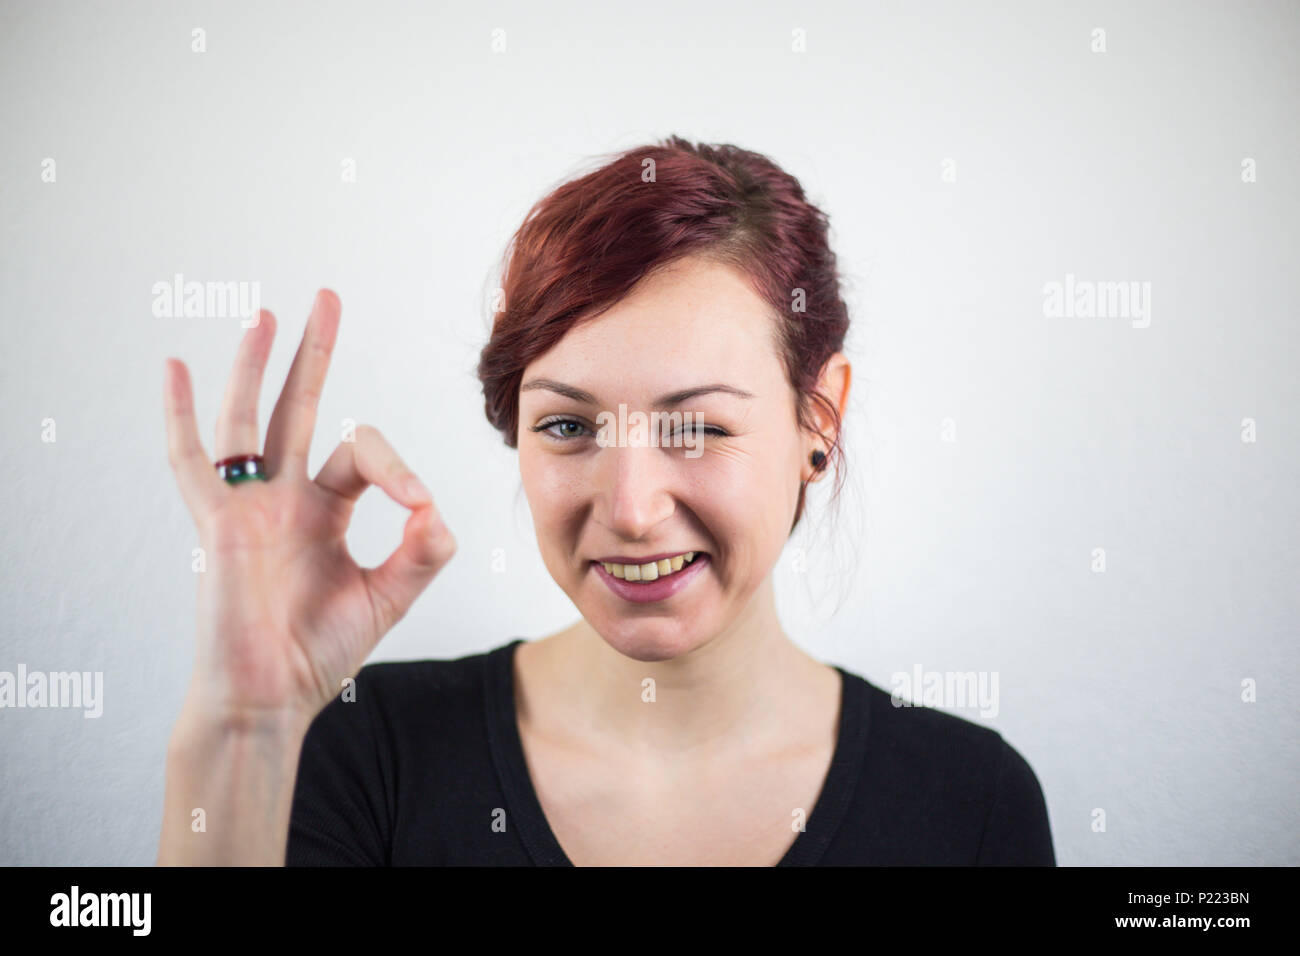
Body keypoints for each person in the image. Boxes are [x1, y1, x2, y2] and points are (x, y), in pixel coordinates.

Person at [156, 136, 1054, 866]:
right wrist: (247, 728)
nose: (629, 510)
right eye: (568, 428)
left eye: (696, 427)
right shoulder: (366, 756)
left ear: (818, 420)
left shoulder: (969, 805)